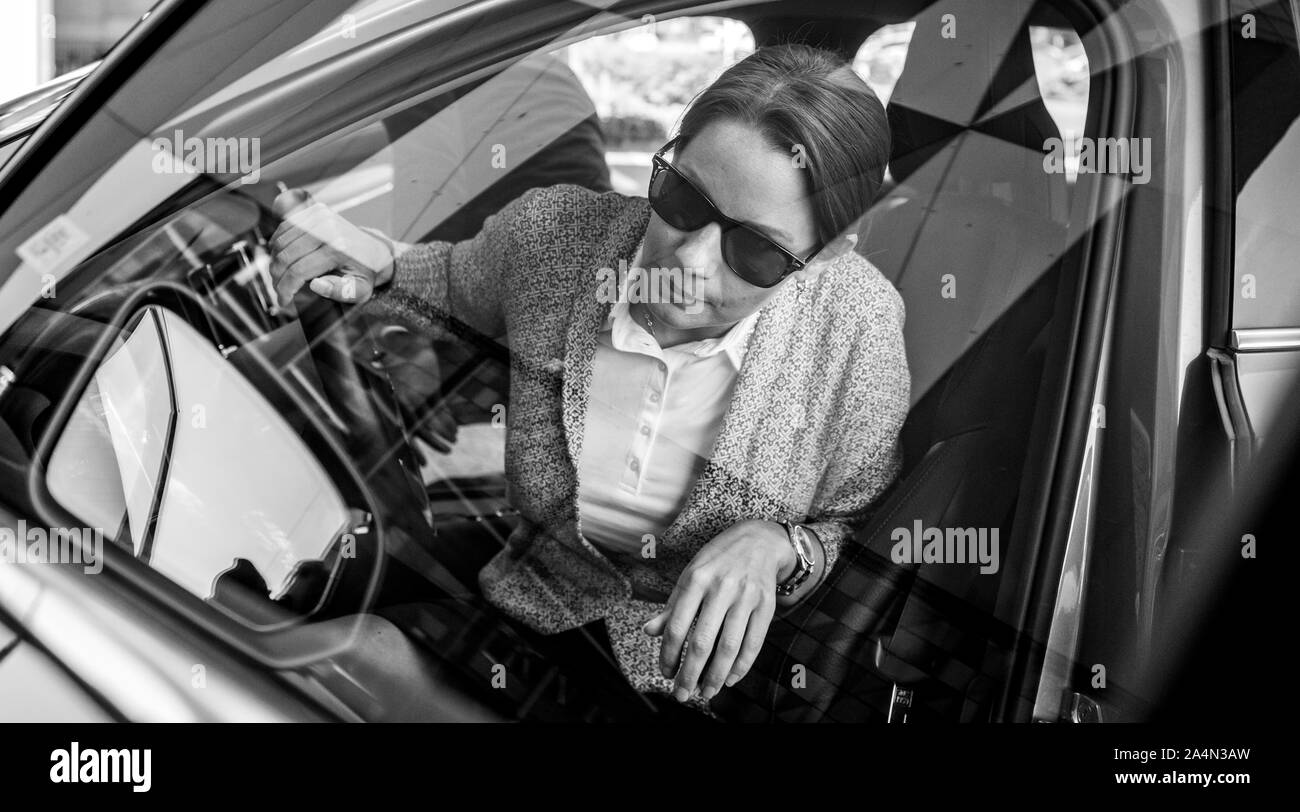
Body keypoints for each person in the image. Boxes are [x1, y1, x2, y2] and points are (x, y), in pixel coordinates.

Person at [268, 42, 910, 717]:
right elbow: (452, 280)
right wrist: (377, 259)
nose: (690, 260)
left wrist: (781, 545)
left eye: (754, 250)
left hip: (698, 690)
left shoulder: (857, 329)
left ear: (828, 254)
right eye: (683, 199)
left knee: (353, 658)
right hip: (528, 604)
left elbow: (862, 523)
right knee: (310, 627)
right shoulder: (556, 236)